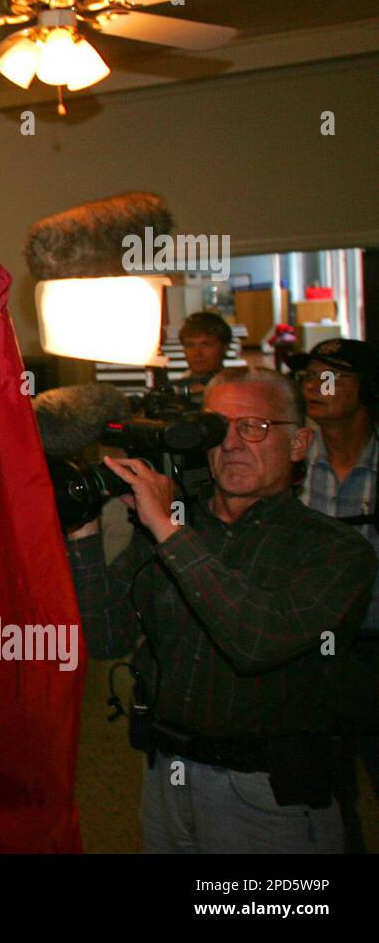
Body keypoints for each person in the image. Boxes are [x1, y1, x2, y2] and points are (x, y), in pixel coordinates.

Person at [66, 367, 375, 853]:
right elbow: (108, 637)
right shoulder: (179, 528)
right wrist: (82, 529)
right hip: (165, 774)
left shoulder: (334, 549)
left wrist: (168, 529)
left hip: (269, 792)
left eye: (254, 427)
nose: (231, 443)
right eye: (217, 428)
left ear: (299, 444)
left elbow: (254, 641)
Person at [290, 338, 379, 850]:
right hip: (316, 656)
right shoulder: (293, 462)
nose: (311, 387)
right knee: (327, 796)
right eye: (307, 376)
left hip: (376, 646)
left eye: (330, 377)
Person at [174, 311, 233, 397]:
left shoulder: (235, 390)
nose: (197, 353)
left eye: (206, 344)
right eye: (190, 345)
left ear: (225, 347)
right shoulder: (175, 389)